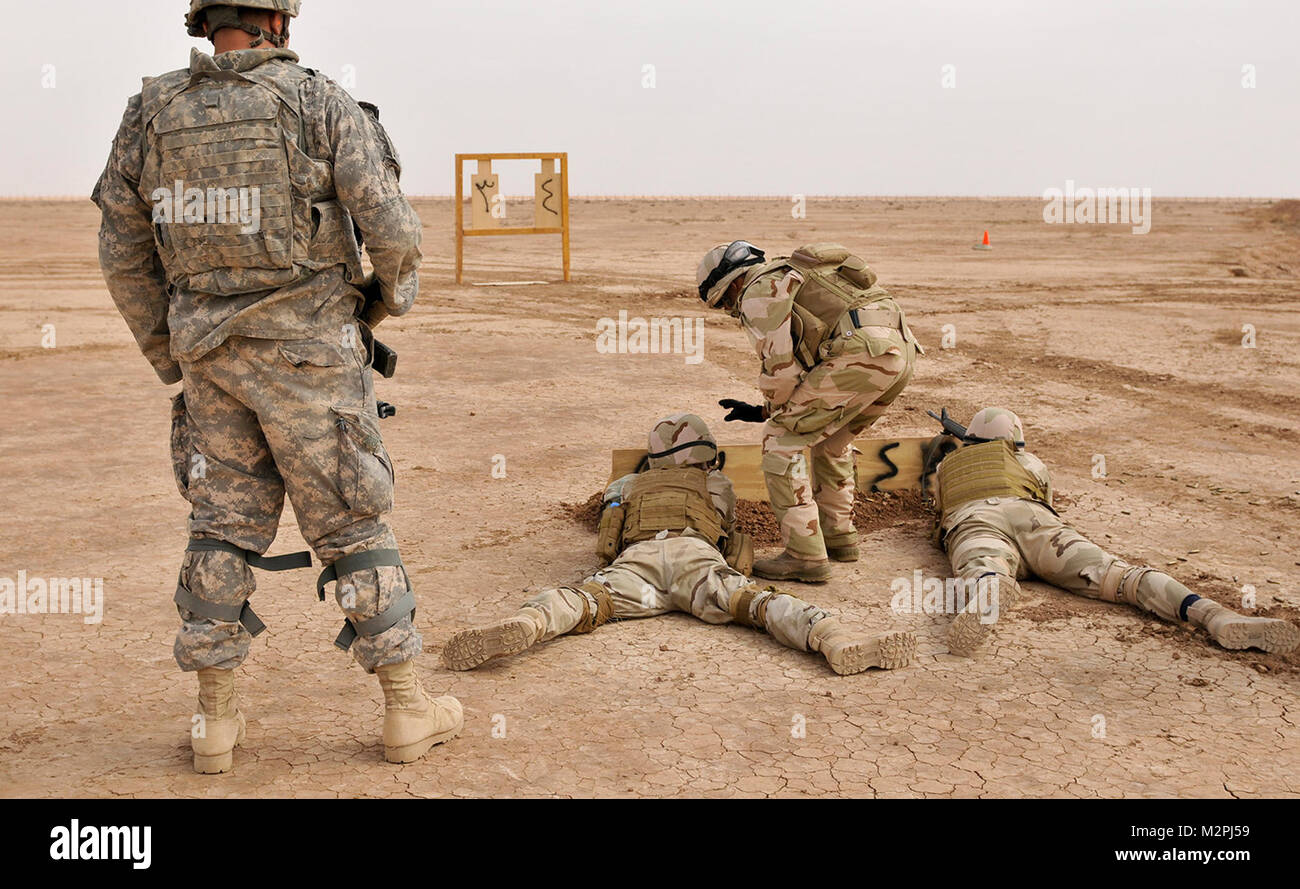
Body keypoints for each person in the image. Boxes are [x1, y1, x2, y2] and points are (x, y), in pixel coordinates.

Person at [93, 0, 460, 771]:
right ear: (279, 19)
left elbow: (121, 251)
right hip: (311, 358)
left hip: (209, 358)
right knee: (354, 522)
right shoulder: (320, 102)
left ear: (203, 20)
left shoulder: (148, 113)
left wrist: (169, 349)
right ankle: (407, 710)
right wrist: (380, 300)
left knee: (221, 522)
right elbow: (395, 231)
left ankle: (214, 725)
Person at [443, 414, 917, 676]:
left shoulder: (627, 485)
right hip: (696, 562)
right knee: (758, 605)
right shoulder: (717, 486)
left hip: (639, 564)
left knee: (584, 598)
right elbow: (727, 530)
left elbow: (607, 537)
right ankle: (831, 639)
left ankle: (529, 622)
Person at [924, 407, 1300, 657]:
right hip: (1035, 521)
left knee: (980, 564)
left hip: (977, 519)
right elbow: (1045, 498)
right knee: (1121, 577)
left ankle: (990, 587)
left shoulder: (948, 467)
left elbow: (938, 508)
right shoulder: (1031, 462)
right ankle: (1213, 615)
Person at [697, 241, 921, 582]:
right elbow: (807, 382)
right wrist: (763, 410)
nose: (731, 310)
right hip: (898, 353)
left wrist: (772, 416)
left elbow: (782, 371)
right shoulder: (796, 273)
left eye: (726, 301)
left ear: (733, 283)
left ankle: (805, 556)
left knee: (780, 442)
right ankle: (838, 536)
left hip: (860, 356)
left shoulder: (759, 290)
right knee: (832, 441)